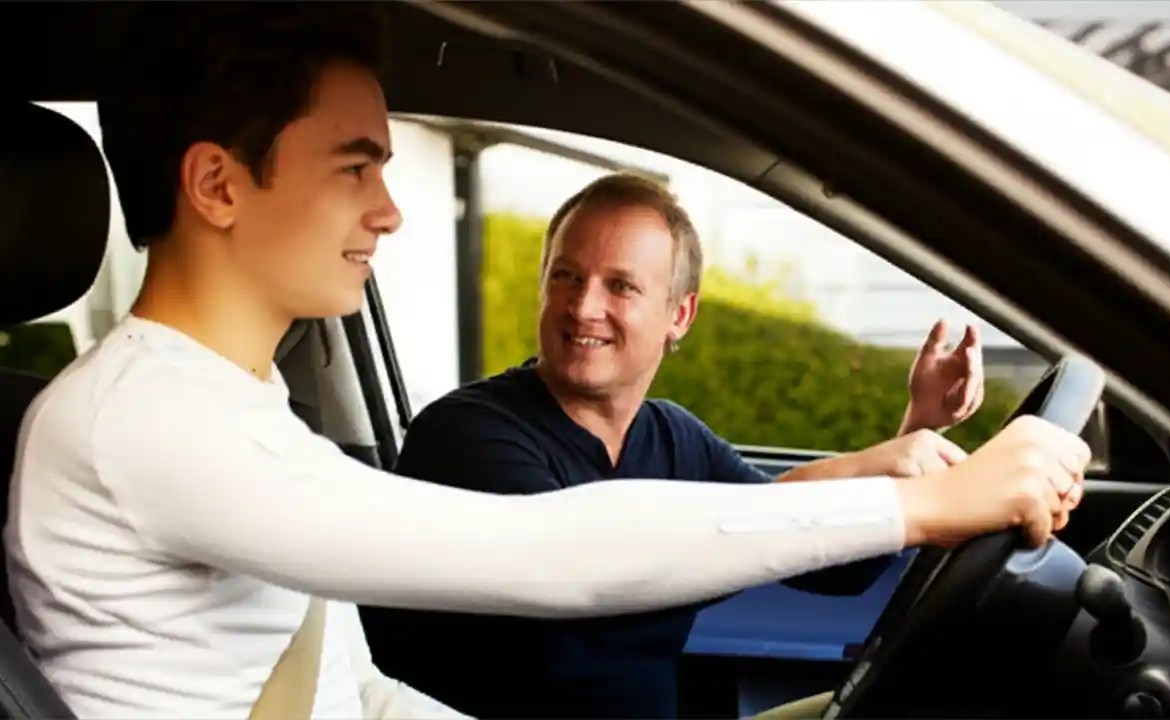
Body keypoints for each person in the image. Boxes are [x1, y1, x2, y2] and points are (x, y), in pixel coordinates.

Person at [3, 4, 1089, 719]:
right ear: (218, 185)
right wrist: (917, 509)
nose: (387, 210)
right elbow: (548, 552)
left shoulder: (234, 405)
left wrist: (902, 465)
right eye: (354, 167)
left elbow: (352, 694)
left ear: (679, 317)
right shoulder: (139, 423)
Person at [362, 174, 988, 719]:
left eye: (621, 287)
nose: (584, 306)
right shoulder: (466, 435)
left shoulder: (672, 437)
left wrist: (915, 432)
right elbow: (604, 569)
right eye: (567, 277)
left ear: (679, 315)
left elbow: (824, 560)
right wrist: (866, 467)